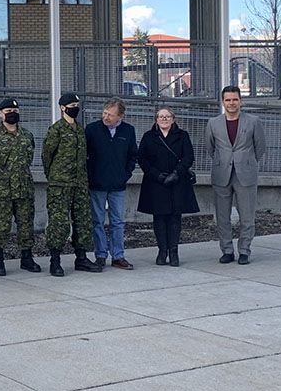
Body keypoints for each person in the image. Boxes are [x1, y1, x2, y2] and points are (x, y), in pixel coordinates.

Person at [0, 98, 41, 276]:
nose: (12, 113)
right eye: (8, 110)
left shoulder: (27, 135)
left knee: (26, 224)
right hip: (1, 191)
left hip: (23, 189)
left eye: (15, 110)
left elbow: (28, 158)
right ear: (0, 114)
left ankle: (27, 259)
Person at [205, 85, 267, 264]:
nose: (231, 103)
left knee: (247, 215)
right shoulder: (213, 123)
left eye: (235, 99)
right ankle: (227, 250)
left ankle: (245, 250)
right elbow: (211, 148)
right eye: (228, 100)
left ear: (241, 101)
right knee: (222, 216)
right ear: (223, 102)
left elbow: (260, 147)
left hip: (245, 174)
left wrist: (246, 161)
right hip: (221, 174)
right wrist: (223, 161)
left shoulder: (253, 121)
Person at [42, 92, 101, 276]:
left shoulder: (80, 129)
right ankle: (55, 260)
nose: (75, 108)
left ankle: (81, 258)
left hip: (80, 184)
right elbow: (47, 156)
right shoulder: (56, 130)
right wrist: (54, 176)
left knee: (83, 221)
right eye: (72, 105)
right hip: (60, 185)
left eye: (77, 105)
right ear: (62, 107)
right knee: (59, 223)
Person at [137, 106, 199, 266]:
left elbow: (189, 157)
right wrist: (156, 175)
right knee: (159, 218)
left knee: (174, 217)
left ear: (173, 119)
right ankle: (162, 251)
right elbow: (142, 159)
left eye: (167, 116)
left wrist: (176, 173)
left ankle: (173, 251)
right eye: (161, 116)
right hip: (155, 183)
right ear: (156, 120)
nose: (164, 119)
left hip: (177, 182)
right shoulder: (148, 136)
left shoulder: (182, 135)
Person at [86, 97, 139, 270]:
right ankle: (100, 255)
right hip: (97, 184)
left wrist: (125, 175)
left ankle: (118, 256)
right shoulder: (92, 130)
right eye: (105, 113)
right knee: (97, 221)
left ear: (120, 116)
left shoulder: (128, 131)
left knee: (117, 221)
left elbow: (133, 155)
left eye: (111, 115)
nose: (106, 117)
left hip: (118, 185)